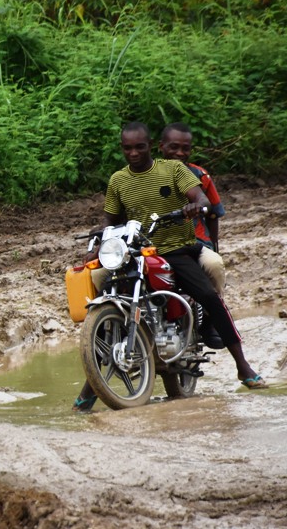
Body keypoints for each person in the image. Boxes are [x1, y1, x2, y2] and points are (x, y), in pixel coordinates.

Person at [72, 121, 266, 412]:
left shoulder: (173, 170)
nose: (133, 153)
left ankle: (243, 366)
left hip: (176, 249)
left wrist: (194, 205)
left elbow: (200, 197)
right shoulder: (118, 180)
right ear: (122, 148)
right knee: (100, 291)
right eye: (127, 148)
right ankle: (93, 383)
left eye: (139, 147)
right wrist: (98, 243)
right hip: (135, 253)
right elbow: (110, 221)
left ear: (151, 146)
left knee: (209, 296)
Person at [159, 123, 226, 296]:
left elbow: (213, 215)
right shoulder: (148, 175)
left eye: (185, 148)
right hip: (157, 243)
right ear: (161, 146)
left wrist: (214, 248)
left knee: (214, 265)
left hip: (196, 242)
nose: (180, 153)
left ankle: (217, 304)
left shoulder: (200, 176)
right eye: (174, 147)